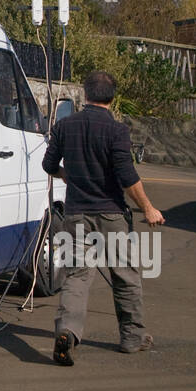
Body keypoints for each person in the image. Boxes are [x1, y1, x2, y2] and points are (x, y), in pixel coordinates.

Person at [41, 70, 164, 366]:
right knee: (125, 275)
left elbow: (48, 164)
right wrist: (148, 208)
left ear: (86, 94)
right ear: (112, 96)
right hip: (111, 214)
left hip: (76, 214)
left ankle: (68, 331)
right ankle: (132, 338)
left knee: (77, 276)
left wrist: (65, 174)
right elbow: (127, 176)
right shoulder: (116, 130)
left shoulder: (65, 126)